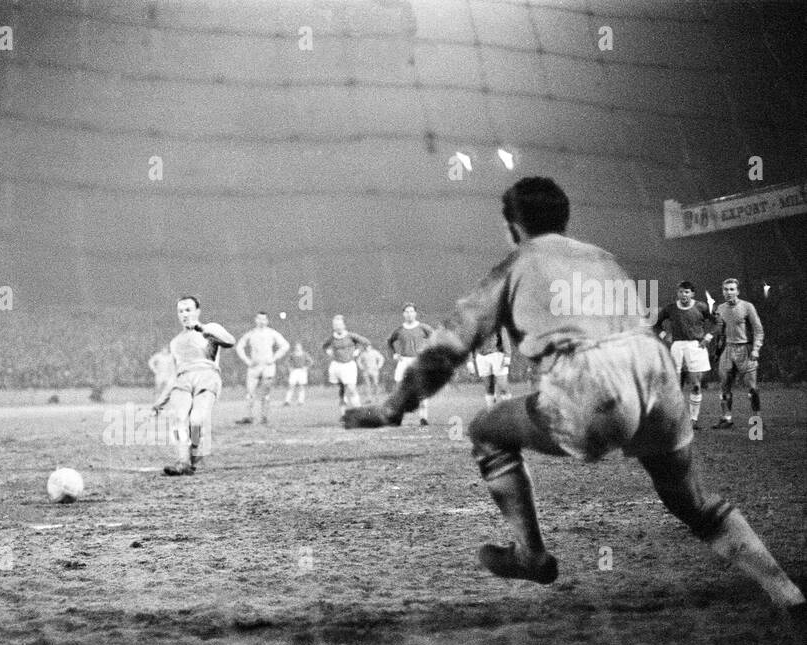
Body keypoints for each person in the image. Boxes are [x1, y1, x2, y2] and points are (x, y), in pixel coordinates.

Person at [342, 176, 804, 619]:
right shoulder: (602, 257)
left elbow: (447, 347)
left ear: (513, 227)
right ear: (564, 220)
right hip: (653, 365)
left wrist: (392, 407)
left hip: (592, 379)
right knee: (693, 501)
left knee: (486, 430)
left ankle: (530, 554)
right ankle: (786, 591)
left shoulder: (517, 263)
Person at [152, 296, 235, 476]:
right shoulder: (175, 342)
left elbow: (230, 341)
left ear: (197, 311)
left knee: (196, 421)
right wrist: (161, 400)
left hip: (207, 376)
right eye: (181, 311)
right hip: (183, 380)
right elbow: (174, 374)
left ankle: (194, 452)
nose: (184, 314)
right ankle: (182, 462)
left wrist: (203, 329)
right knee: (179, 419)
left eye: (188, 310)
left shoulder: (211, 328)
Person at [653, 281, 715, 425]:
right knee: (675, 385)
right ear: (677, 293)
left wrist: (708, 337)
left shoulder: (701, 307)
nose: (683, 295)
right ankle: (676, 420)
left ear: (692, 294)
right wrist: (664, 335)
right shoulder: (671, 308)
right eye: (681, 292)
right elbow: (655, 324)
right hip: (677, 346)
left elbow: (717, 322)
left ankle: (694, 419)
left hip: (696, 346)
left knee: (696, 385)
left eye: (686, 292)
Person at [711, 278, 764, 430]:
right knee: (724, 387)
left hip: (745, 350)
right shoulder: (720, 308)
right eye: (726, 289)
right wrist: (717, 352)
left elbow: (758, 329)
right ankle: (726, 418)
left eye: (732, 289)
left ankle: (757, 421)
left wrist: (755, 349)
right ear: (723, 291)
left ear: (737, 291)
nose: (728, 292)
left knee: (752, 387)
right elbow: (720, 334)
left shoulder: (747, 307)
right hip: (727, 350)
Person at [234, 311, 289, 425]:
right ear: (255, 320)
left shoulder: (272, 333)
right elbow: (239, 346)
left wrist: (274, 358)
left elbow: (285, 345)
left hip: (268, 367)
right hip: (254, 367)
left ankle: (264, 417)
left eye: (264, 319)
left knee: (265, 393)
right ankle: (249, 417)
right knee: (250, 392)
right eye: (259, 319)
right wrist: (247, 360)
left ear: (267, 321)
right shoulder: (251, 334)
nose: (261, 321)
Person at [388, 304, 435, 425]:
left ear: (415, 313)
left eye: (411, 311)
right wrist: (395, 354)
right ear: (403, 314)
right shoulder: (399, 330)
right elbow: (390, 341)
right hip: (404, 361)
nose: (409, 314)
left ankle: (423, 418)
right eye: (407, 312)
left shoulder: (423, 328)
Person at [322, 315, 372, 408]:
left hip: (349, 365)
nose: (337, 327)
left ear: (344, 325)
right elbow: (324, 346)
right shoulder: (332, 338)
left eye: (339, 324)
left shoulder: (351, 336)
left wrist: (358, 351)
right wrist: (328, 351)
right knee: (342, 390)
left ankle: (358, 409)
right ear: (333, 327)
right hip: (337, 365)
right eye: (335, 325)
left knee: (352, 388)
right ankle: (343, 413)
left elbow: (366, 342)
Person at [472, 326, 511, 408]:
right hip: (481, 357)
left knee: (502, 385)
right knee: (488, 386)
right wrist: (470, 360)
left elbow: (504, 334)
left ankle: (509, 410)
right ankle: (491, 410)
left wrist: (507, 355)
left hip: (497, 354)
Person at [283, 341, 315, 406]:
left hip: (302, 372)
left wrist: (306, 367)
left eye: (299, 347)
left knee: (301, 386)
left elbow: (310, 361)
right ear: (295, 348)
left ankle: (301, 401)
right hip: (294, 371)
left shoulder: (305, 354)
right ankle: (287, 401)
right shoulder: (292, 354)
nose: (297, 348)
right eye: (296, 347)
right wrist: (290, 368)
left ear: (301, 348)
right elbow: (287, 362)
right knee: (291, 386)